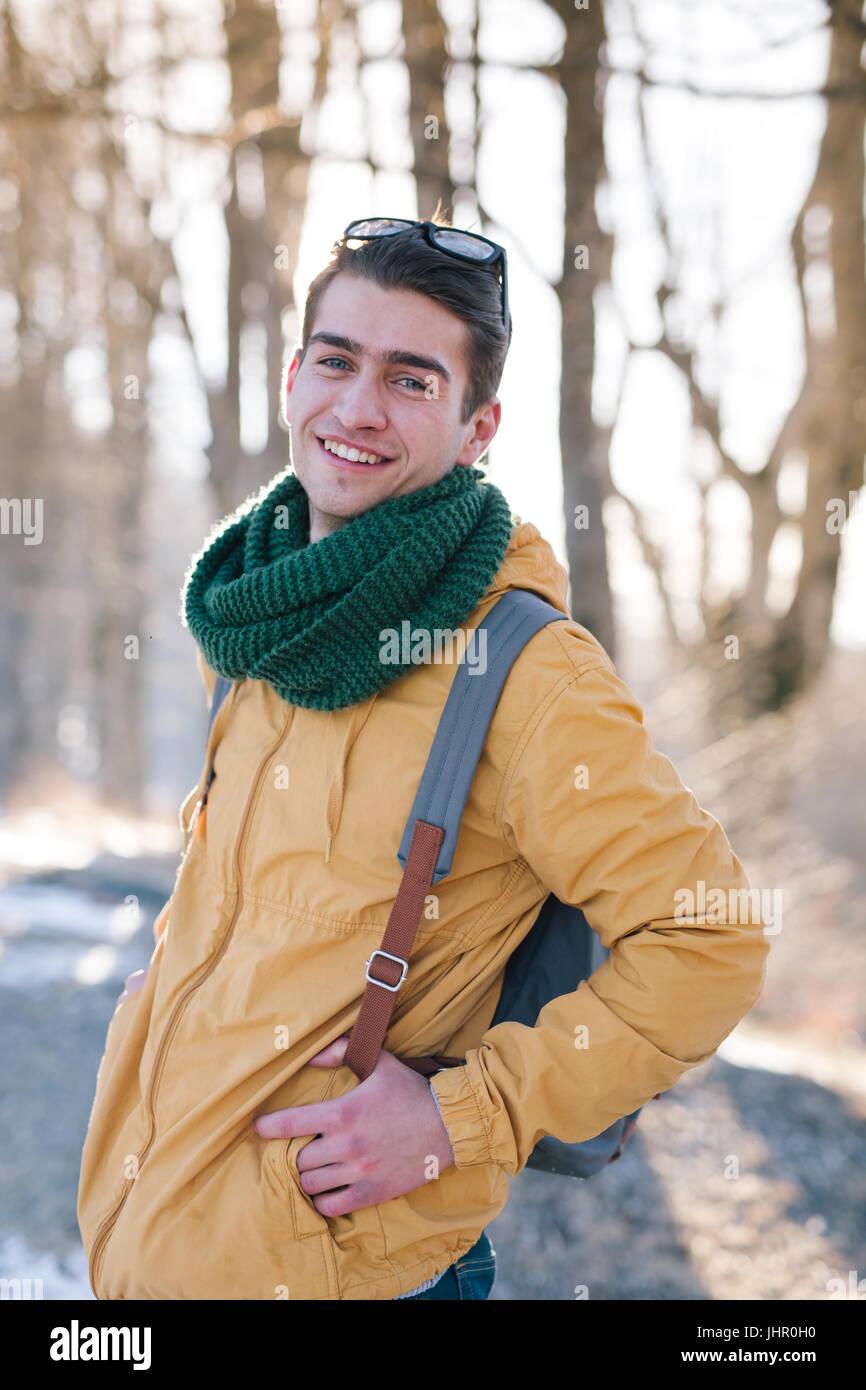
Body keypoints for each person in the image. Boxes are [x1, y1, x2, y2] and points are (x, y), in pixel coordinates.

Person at [77, 214, 770, 1301]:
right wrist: (175, 991)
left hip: (346, 1272)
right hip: (157, 1237)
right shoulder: (268, 620)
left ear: (476, 423)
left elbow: (710, 937)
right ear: (291, 372)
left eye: (410, 379)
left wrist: (463, 1116)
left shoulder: (526, 673)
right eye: (336, 359)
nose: (355, 408)